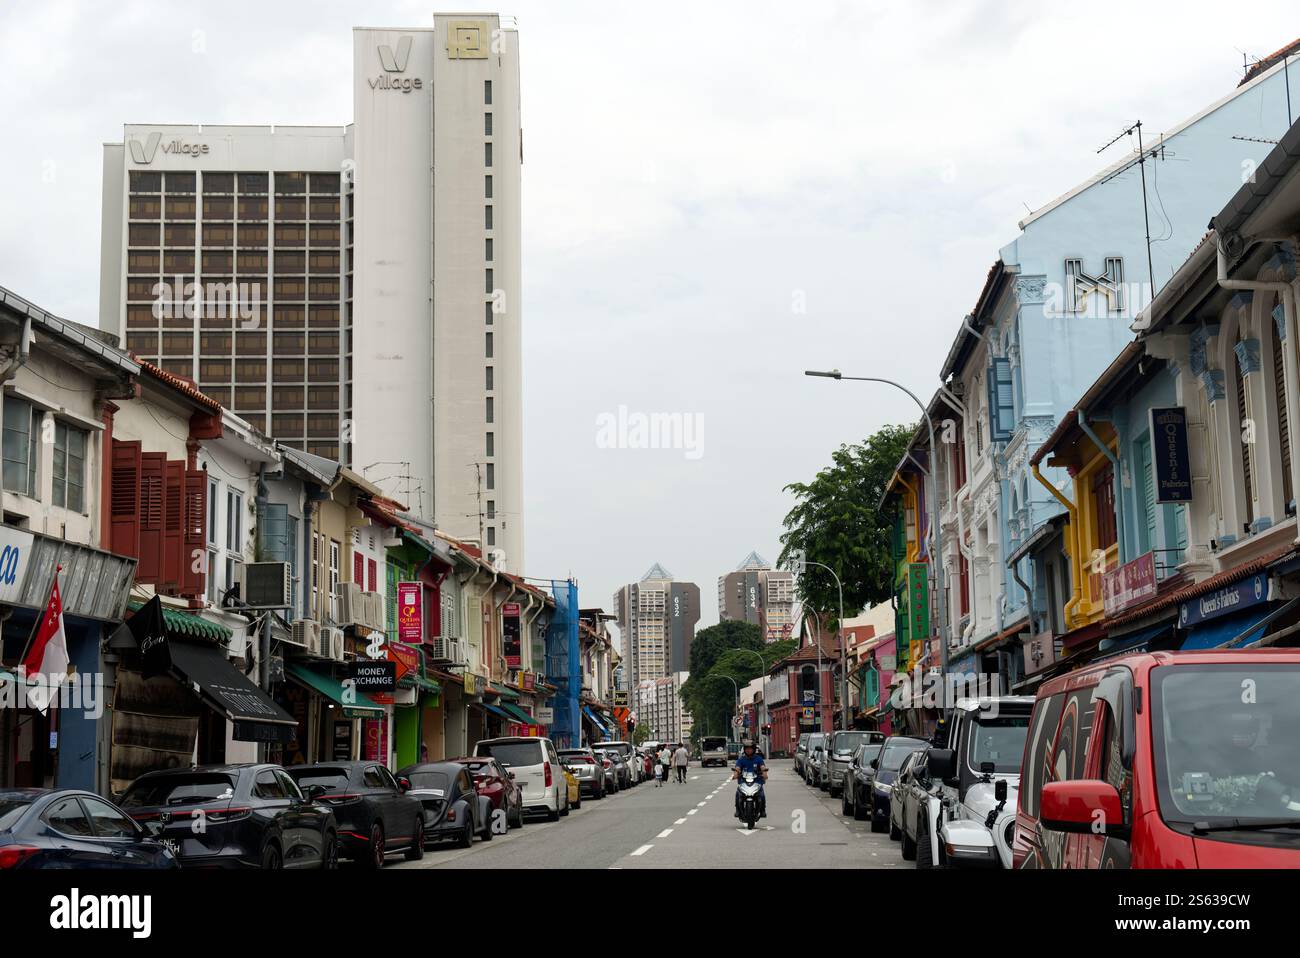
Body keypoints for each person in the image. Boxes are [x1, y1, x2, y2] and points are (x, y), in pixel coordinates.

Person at [732, 739, 768, 819]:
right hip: (743, 781)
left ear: (754, 749)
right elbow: (737, 768)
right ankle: (737, 810)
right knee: (738, 793)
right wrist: (736, 773)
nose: (748, 750)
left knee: (761, 794)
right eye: (747, 749)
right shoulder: (741, 759)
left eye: (750, 749)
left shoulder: (758, 759)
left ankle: (763, 810)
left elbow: (762, 767)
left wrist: (764, 773)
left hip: (757, 781)